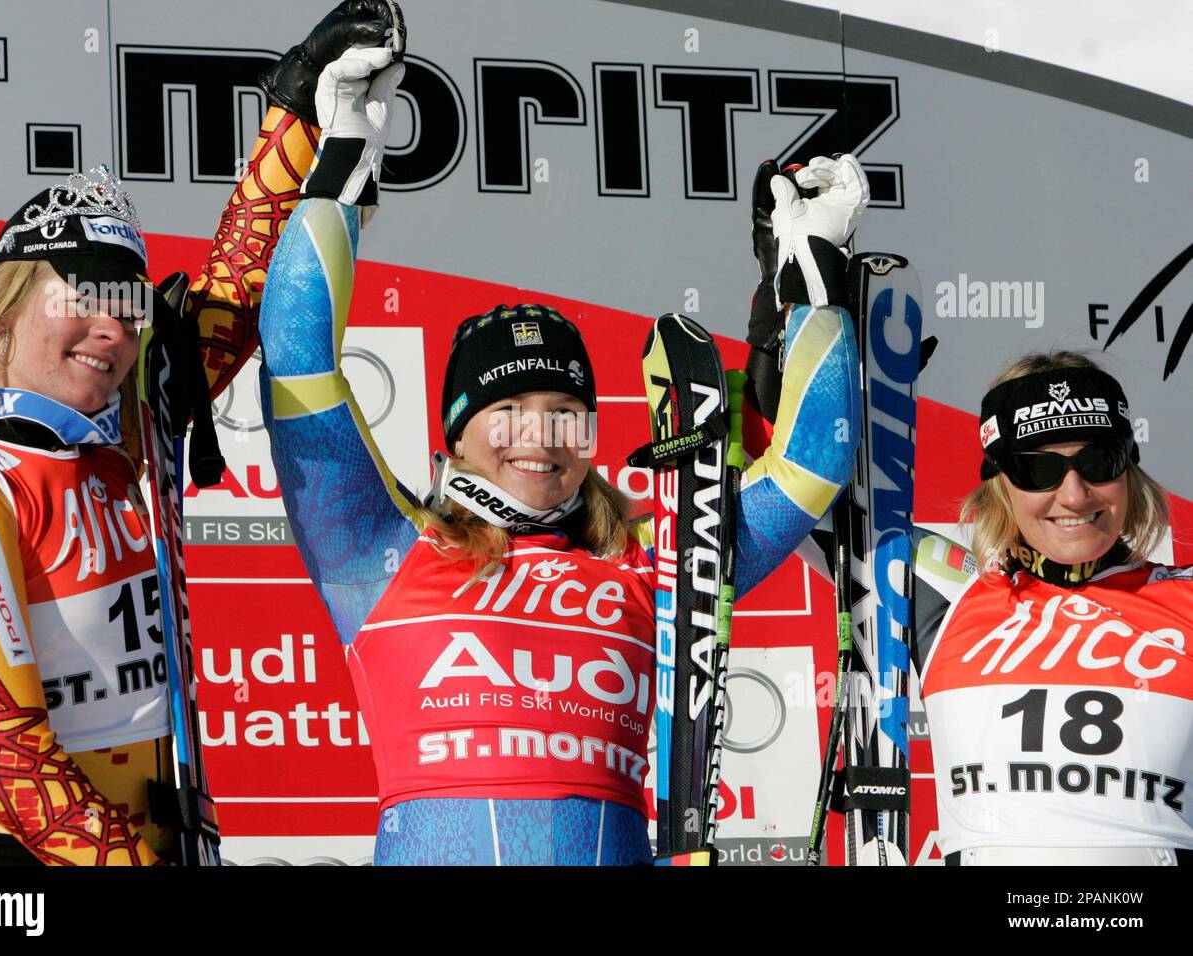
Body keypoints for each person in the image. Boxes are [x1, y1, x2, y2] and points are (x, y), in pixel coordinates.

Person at [258, 31, 869, 863]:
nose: (537, 436)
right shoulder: (374, 545)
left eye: (563, 410)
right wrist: (341, 165)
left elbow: (811, 465)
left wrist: (815, 275)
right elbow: (297, 356)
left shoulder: (661, 562)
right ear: (457, 432)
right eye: (506, 407)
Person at [0, 0, 402, 866]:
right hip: (20, 867)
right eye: (82, 297)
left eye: (128, 307)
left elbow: (231, 301)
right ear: (6, 311)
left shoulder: (126, 436)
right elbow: (7, 754)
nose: (113, 329)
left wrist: (302, 113)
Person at [913, 350, 1192, 865]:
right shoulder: (945, 589)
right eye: (1038, 469)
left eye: (1098, 463)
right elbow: (792, 495)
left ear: (1129, 468)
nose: (1073, 493)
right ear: (998, 481)